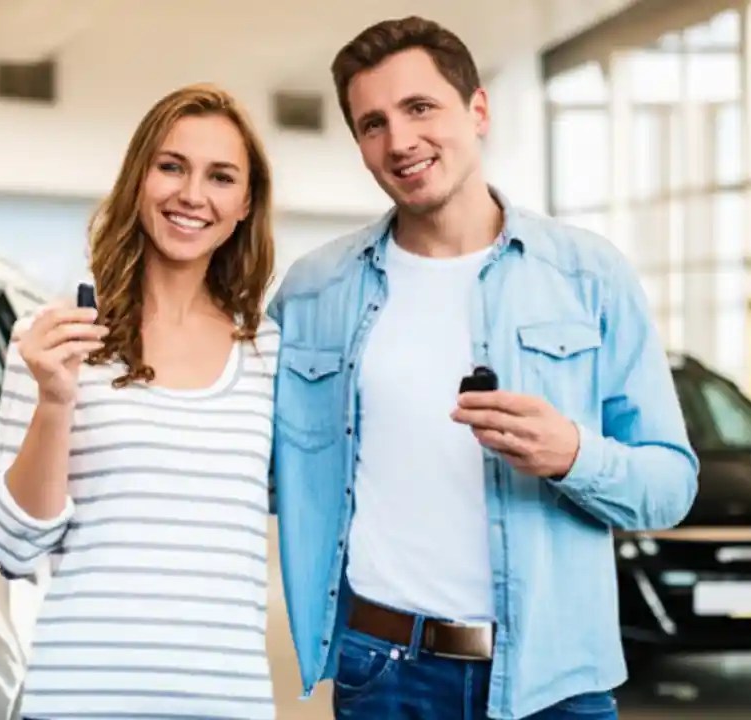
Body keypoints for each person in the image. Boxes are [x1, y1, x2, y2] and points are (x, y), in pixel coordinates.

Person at [266, 16, 699, 720]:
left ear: (478, 110)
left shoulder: (588, 276)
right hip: (384, 675)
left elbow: (671, 483)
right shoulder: (313, 293)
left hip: (555, 681)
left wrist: (572, 455)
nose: (399, 140)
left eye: (419, 108)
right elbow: (251, 461)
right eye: (371, 124)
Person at [0, 83, 279, 719]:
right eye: (171, 166)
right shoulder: (50, 339)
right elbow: (12, 550)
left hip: (227, 705)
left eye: (220, 177)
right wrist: (56, 400)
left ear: (246, 203)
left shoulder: (269, 353)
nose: (192, 194)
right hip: (78, 701)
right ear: (138, 178)